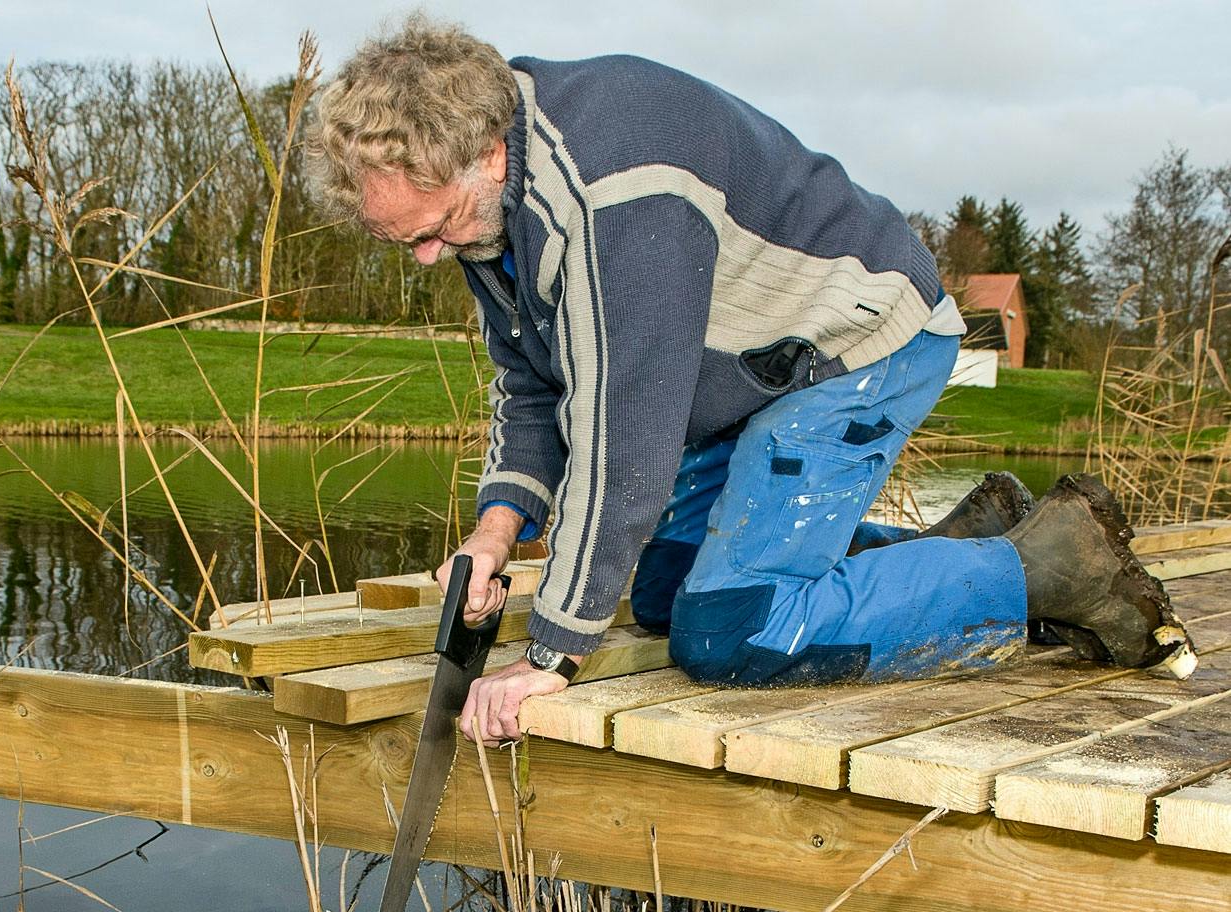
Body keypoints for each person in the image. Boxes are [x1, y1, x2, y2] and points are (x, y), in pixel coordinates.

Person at [309, 16, 1194, 746]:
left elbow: (625, 443)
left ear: (486, 154)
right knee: (667, 594)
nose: (429, 256)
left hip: (858, 342)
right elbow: (535, 387)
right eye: (407, 240)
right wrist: (494, 535)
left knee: (731, 629)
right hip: (750, 375)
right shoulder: (491, 207)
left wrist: (547, 659)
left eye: (433, 229)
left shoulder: (611, 194)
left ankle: (1050, 565)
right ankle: (968, 544)